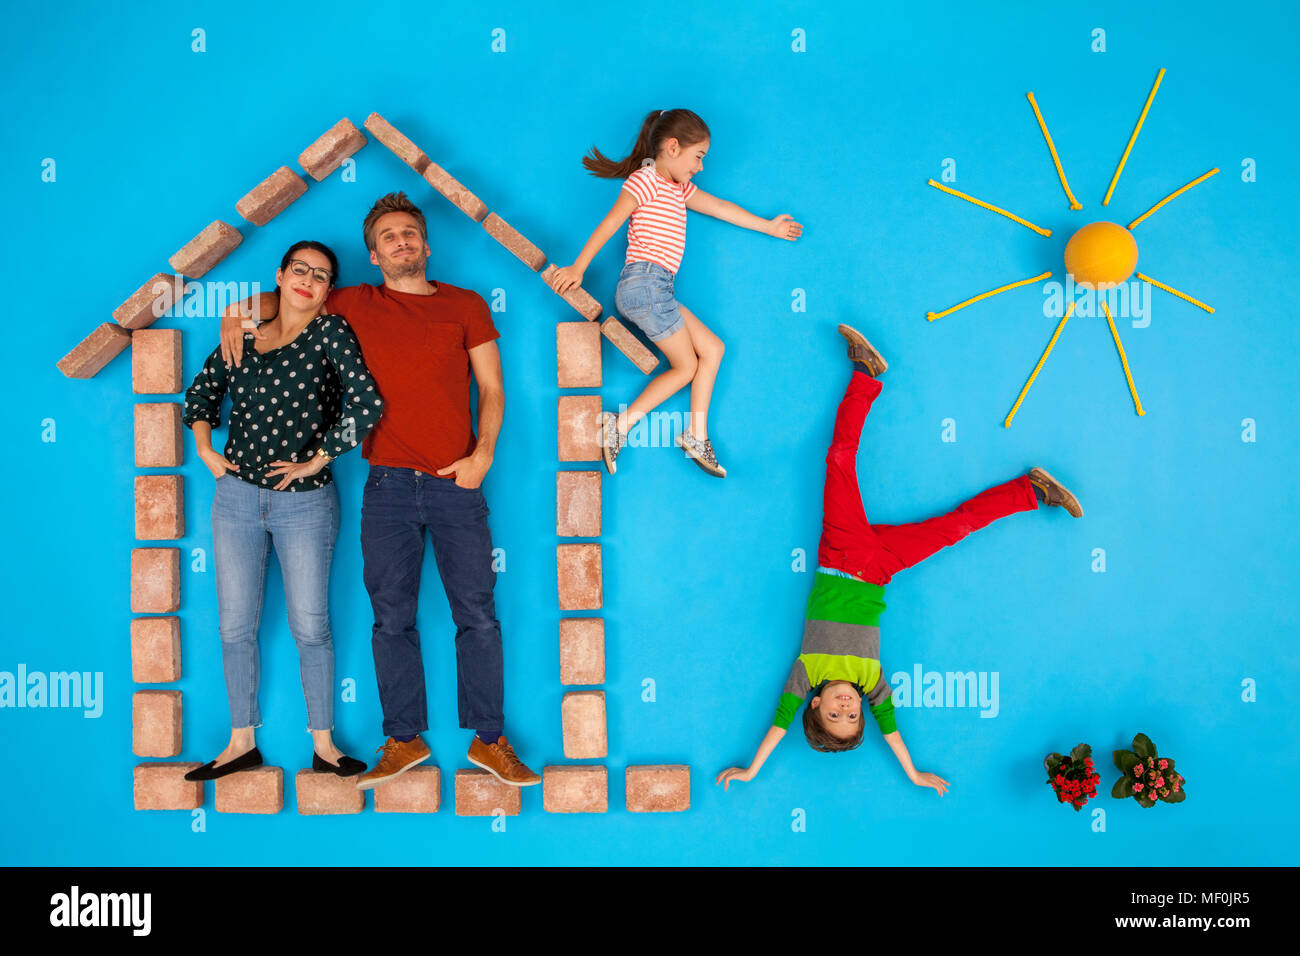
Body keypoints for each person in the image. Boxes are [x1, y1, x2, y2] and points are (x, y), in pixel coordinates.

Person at [219, 193, 541, 790]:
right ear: (374, 255)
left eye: (409, 232)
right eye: (388, 236)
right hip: (387, 486)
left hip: (455, 481)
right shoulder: (353, 303)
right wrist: (233, 314)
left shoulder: (466, 305)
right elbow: (290, 297)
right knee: (391, 618)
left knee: (477, 614)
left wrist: (483, 456)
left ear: (426, 244)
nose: (401, 241)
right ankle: (403, 738)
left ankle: (490, 741)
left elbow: (493, 389)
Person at [716, 324, 1084, 794]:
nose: (845, 707)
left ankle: (866, 374)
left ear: (814, 706)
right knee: (955, 527)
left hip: (841, 553)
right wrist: (912, 773)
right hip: (879, 569)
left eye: (834, 715)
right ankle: (1033, 490)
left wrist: (751, 769)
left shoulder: (806, 674)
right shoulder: (872, 683)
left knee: (839, 460)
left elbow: (777, 726)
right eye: (853, 716)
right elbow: (892, 733)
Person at [183, 241, 384, 781]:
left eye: (320, 275)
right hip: (236, 499)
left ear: (328, 290)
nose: (308, 280)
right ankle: (240, 743)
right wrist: (206, 450)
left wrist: (318, 458)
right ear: (280, 275)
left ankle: (324, 745)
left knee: (310, 626)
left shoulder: (330, 333)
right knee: (234, 626)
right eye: (300, 269)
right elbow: (201, 395)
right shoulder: (243, 335)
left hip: (306, 503)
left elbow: (366, 402)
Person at [547, 108, 803, 478]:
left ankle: (696, 436)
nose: (700, 166)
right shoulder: (645, 180)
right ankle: (620, 425)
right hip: (645, 284)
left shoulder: (679, 188)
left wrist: (768, 226)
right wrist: (578, 267)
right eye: (698, 156)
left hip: (658, 289)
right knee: (686, 367)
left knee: (713, 349)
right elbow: (611, 223)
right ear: (672, 147)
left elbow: (719, 208)